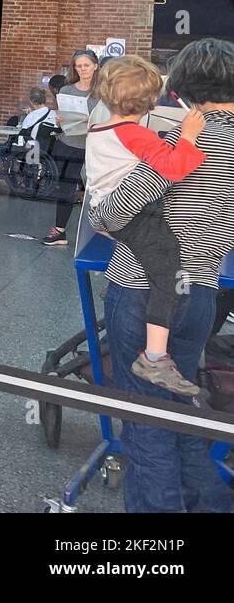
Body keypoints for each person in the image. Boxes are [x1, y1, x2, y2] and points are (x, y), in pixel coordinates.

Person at [91, 38, 234, 513]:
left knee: (147, 417)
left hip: (144, 290)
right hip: (203, 291)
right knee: (180, 412)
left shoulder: (181, 141)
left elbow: (115, 212)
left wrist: (95, 208)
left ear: (185, 89)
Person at [84, 56, 207, 396]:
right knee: (166, 273)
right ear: (151, 101)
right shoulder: (136, 135)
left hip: (106, 213)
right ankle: (154, 356)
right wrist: (190, 134)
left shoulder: (99, 130)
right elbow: (174, 168)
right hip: (134, 219)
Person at [41, 49, 99, 246]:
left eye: (86, 65)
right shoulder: (67, 91)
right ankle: (59, 230)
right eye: (79, 66)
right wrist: (59, 121)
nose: (83, 69)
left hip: (95, 146)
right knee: (65, 187)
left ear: (95, 66)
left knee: (99, 187)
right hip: (69, 143)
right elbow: (60, 122)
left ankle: (101, 230)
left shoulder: (104, 92)